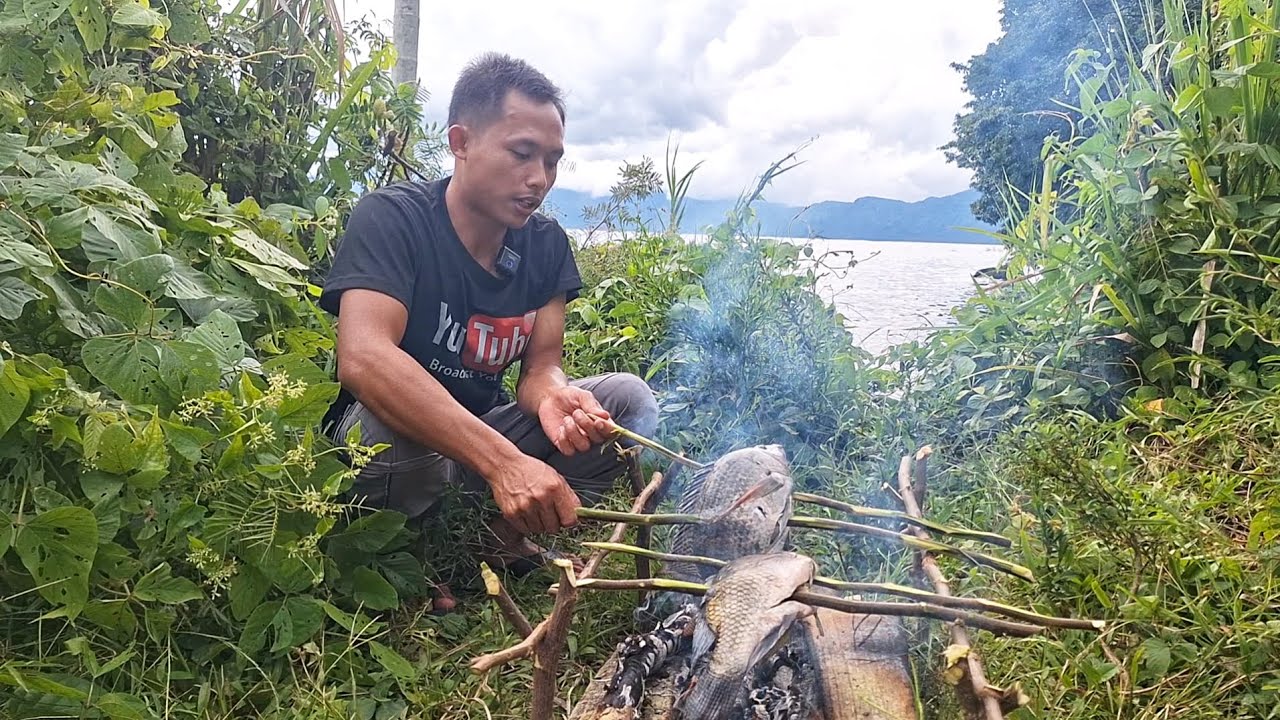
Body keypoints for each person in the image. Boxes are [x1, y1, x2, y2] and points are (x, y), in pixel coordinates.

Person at [317, 52, 660, 611]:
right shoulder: (393, 218)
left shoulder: (545, 245)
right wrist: (505, 463)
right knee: (386, 420)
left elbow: (540, 367)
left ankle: (489, 540)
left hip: (478, 444)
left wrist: (554, 398)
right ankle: (399, 559)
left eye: (552, 161)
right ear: (461, 142)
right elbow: (364, 357)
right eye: (522, 153)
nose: (539, 179)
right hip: (394, 455)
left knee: (623, 402)